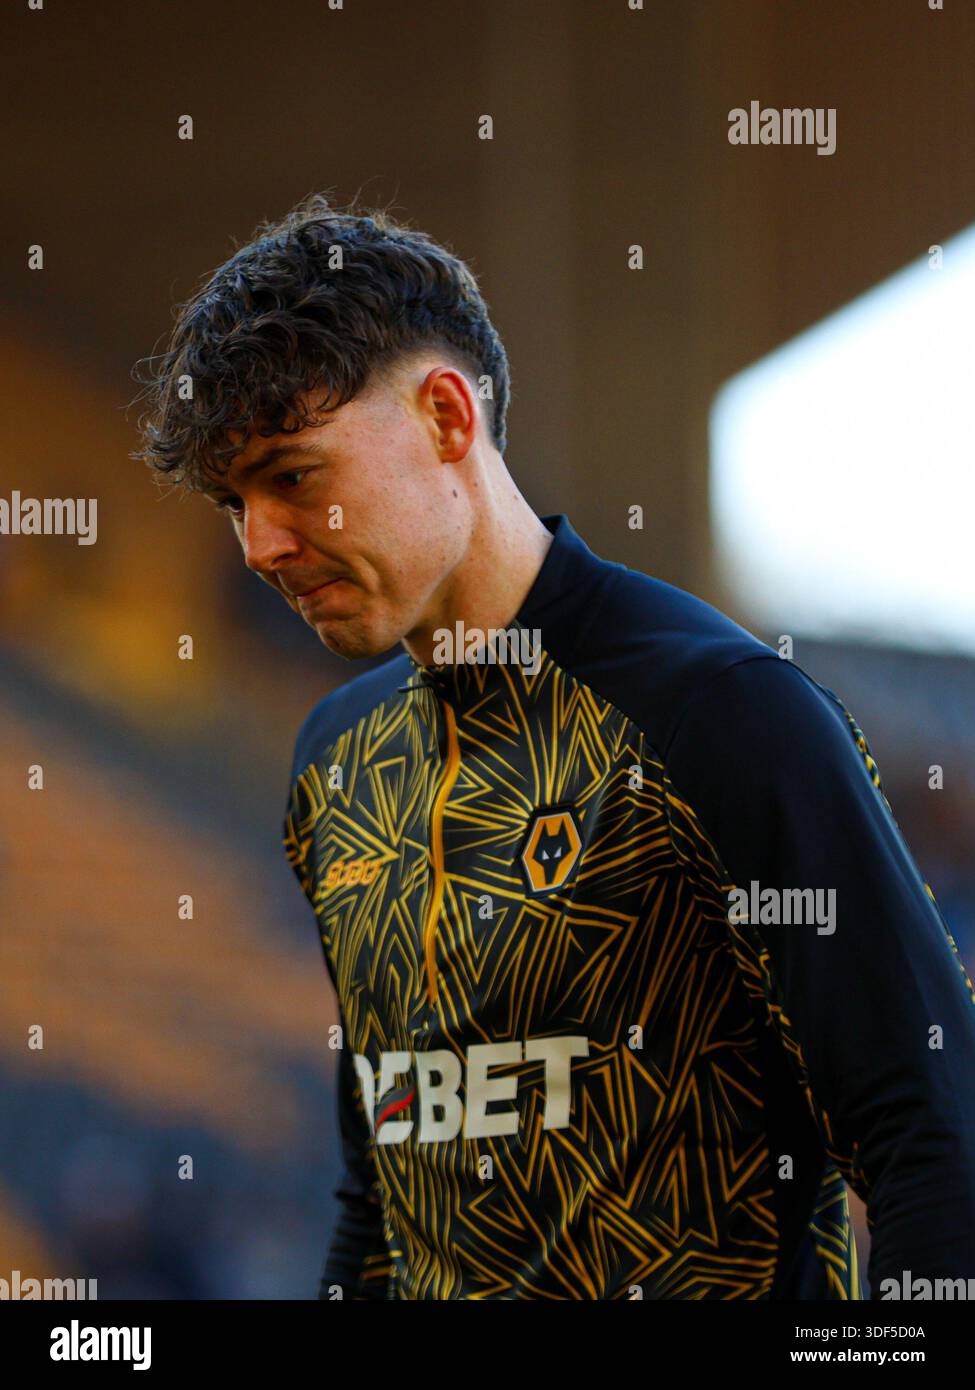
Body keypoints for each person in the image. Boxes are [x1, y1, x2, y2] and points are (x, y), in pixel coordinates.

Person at [132, 192, 975, 1300]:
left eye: (292, 477)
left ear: (445, 417)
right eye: (231, 501)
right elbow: (384, 1202)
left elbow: (938, 1149)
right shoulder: (334, 763)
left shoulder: (721, 712)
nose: (259, 546)